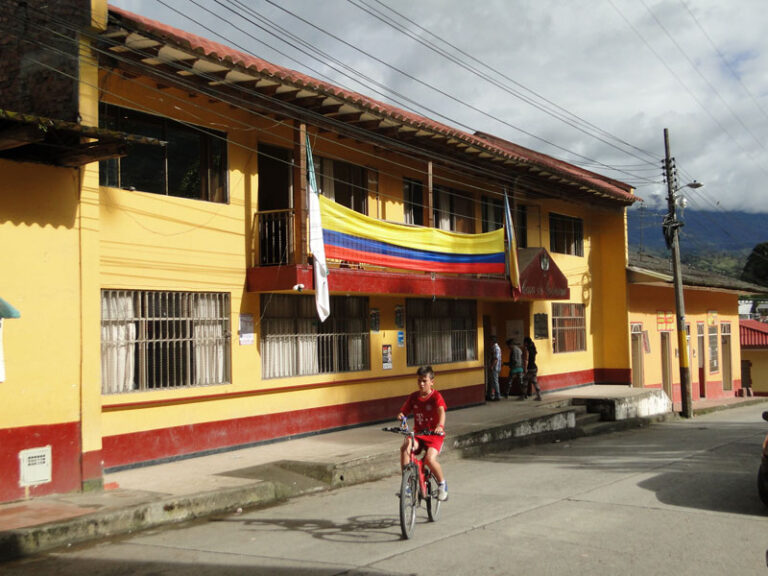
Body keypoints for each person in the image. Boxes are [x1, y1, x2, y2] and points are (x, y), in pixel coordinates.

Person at [397, 365, 448, 501]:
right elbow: (404, 412)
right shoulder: (413, 397)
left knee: (429, 459)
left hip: (434, 436)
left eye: (424, 381)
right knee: (405, 446)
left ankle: (443, 485)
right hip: (419, 434)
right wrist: (402, 416)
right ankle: (406, 484)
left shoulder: (436, 396)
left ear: (431, 381)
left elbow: (441, 411)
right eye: (419, 380)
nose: (421, 384)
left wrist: (440, 426)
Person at [523, 336, 542, 401]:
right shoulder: (533, 349)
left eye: (524, 342)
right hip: (534, 367)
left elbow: (526, 360)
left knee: (525, 380)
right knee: (535, 382)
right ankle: (539, 396)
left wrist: (525, 369)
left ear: (526, 342)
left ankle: (524, 395)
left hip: (530, 368)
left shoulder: (527, 350)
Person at [487, 335, 502, 401]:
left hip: (495, 367)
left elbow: (496, 358)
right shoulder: (496, 347)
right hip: (497, 367)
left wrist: (492, 366)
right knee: (493, 381)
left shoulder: (495, 348)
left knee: (495, 381)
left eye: (490, 341)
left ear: (492, 341)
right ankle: (491, 394)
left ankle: (497, 395)